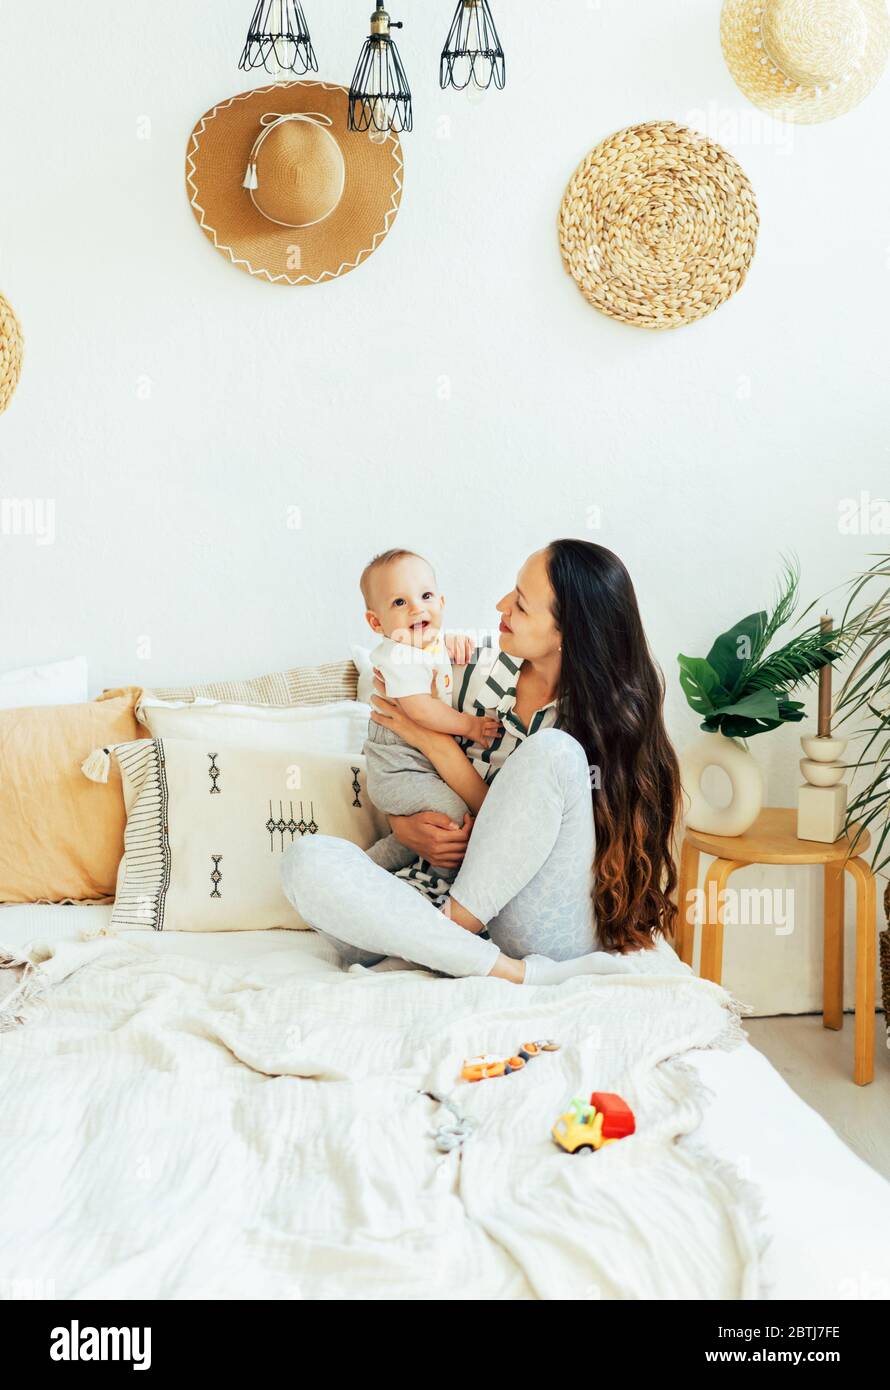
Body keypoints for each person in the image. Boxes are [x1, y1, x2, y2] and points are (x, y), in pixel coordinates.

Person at [282, 540, 685, 985]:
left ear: (566, 633)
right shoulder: (469, 664)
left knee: (552, 752)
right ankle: (480, 960)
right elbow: (400, 759)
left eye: (521, 604)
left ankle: (443, 939)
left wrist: (435, 743)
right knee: (306, 860)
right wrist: (404, 827)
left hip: (533, 919)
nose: (500, 605)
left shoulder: (606, 720)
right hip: (433, 893)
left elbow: (525, 834)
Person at [360, 547, 500, 892]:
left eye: (425, 597)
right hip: (399, 768)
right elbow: (421, 709)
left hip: (419, 764)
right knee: (453, 817)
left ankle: (365, 868)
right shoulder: (398, 656)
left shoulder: (426, 645)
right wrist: (469, 726)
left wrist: (452, 641)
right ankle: (440, 888)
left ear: (440, 601)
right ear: (377, 623)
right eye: (399, 603)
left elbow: (443, 650)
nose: (417, 608)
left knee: (414, 835)